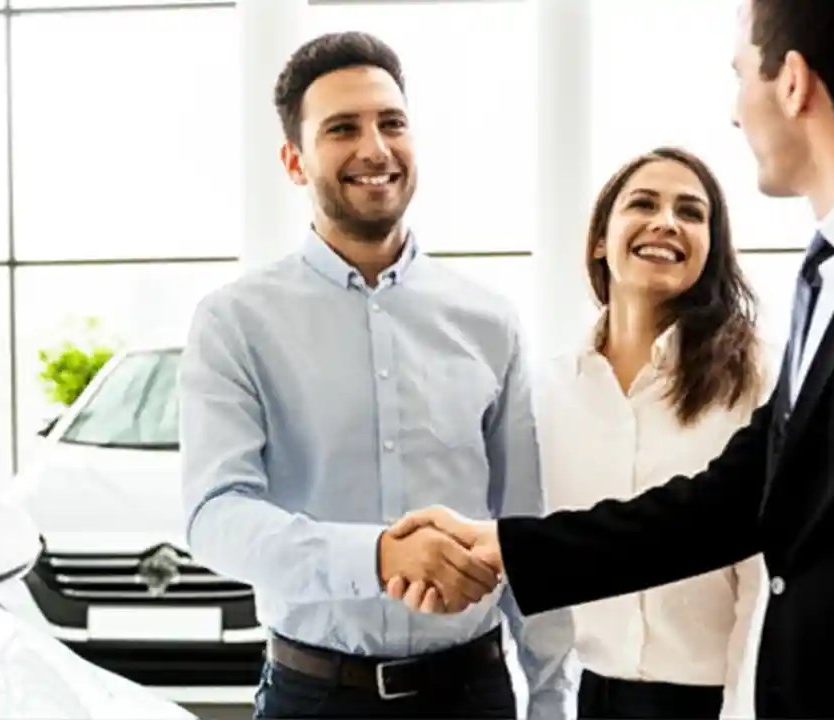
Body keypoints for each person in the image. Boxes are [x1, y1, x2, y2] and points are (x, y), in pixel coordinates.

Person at [383, 0, 834, 717]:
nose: (736, 113)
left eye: (742, 73)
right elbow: (734, 500)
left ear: (794, 82)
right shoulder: (828, 272)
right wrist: (505, 546)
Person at [178, 31, 576, 720]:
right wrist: (378, 554)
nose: (375, 148)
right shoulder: (233, 323)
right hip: (315, 696)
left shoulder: (489, 321)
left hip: (473, 694)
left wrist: (549, 698)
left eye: (392, 123)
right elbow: (216, 517)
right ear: (294, 162)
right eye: (342, 128)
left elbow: (523, 521)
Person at [535, 148, 769, 719]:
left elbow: (760, 584)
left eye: (691, 212)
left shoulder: (757, 378)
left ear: (710, 250)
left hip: (714, 702)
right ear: (599, 239)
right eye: (643, 203)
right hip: (591, 696)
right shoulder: (548, 389)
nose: (666, 221)